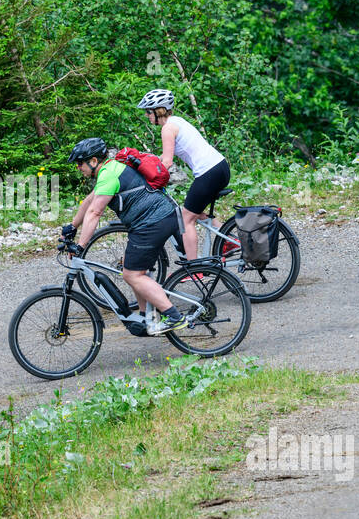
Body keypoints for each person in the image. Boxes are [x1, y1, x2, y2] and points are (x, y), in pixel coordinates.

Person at [62, 137, 186, 335]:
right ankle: (147, 318)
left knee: (132, 274)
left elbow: (95, 212)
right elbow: (89, 201)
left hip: (153, 222)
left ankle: (173, 316)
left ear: (93, 161)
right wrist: (72, 226)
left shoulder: (108, 175)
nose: (78, 168)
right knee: (132, 265)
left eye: (80, 163)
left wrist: (81, 245)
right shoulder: (111, 169)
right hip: (156, 218)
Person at [137, 89, 236, 261]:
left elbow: (167, 162)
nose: (147, 115)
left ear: (157, 110)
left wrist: (147, 178)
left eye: (148, 111)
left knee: (185, 219)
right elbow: (164, 158)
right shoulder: (177, 121)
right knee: (192, 211)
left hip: (208, 172)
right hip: (220, 167)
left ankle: (194, 267)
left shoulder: (167, 128)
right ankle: (228, 239)